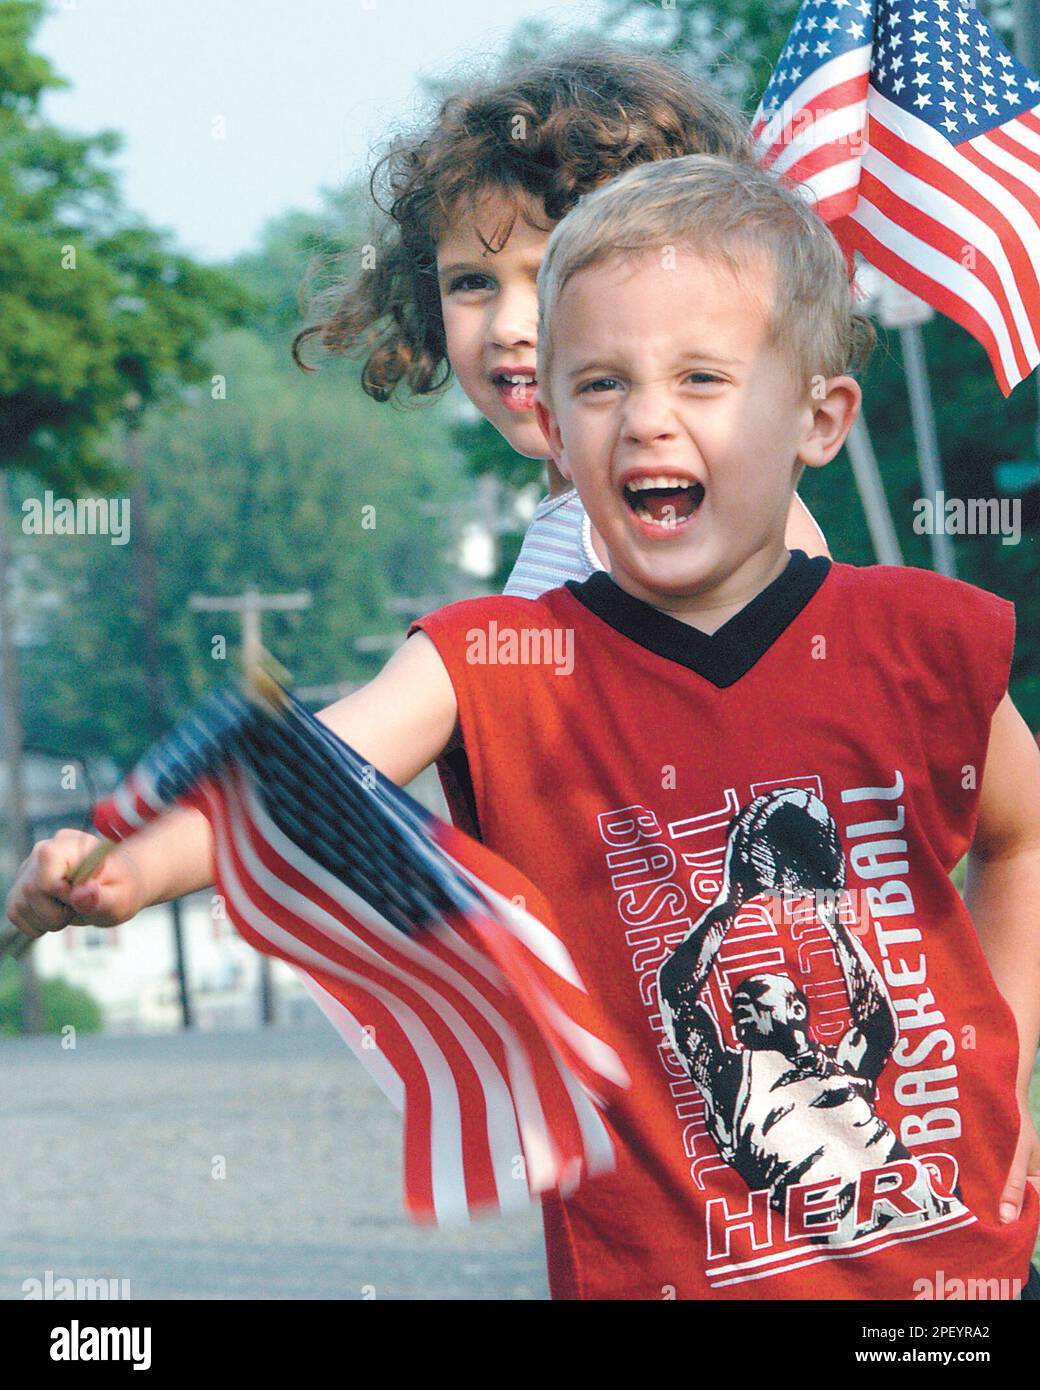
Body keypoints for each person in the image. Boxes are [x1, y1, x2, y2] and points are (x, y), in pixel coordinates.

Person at [10, 155, 1040, 1300]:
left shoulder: (917, 640)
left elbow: (1019, 835)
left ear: (818, 417)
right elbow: (310, 771)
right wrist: (127, 869)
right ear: (549, 417)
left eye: (703, 379)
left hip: (954, 1284)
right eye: (601, 385)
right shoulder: (496, 656)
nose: (646, 420)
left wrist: (999, 1068)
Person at [290, 41, 831, 597]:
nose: (507, 327)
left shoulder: (677, 522)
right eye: (472, 282)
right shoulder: (592, 516)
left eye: (552, 278)